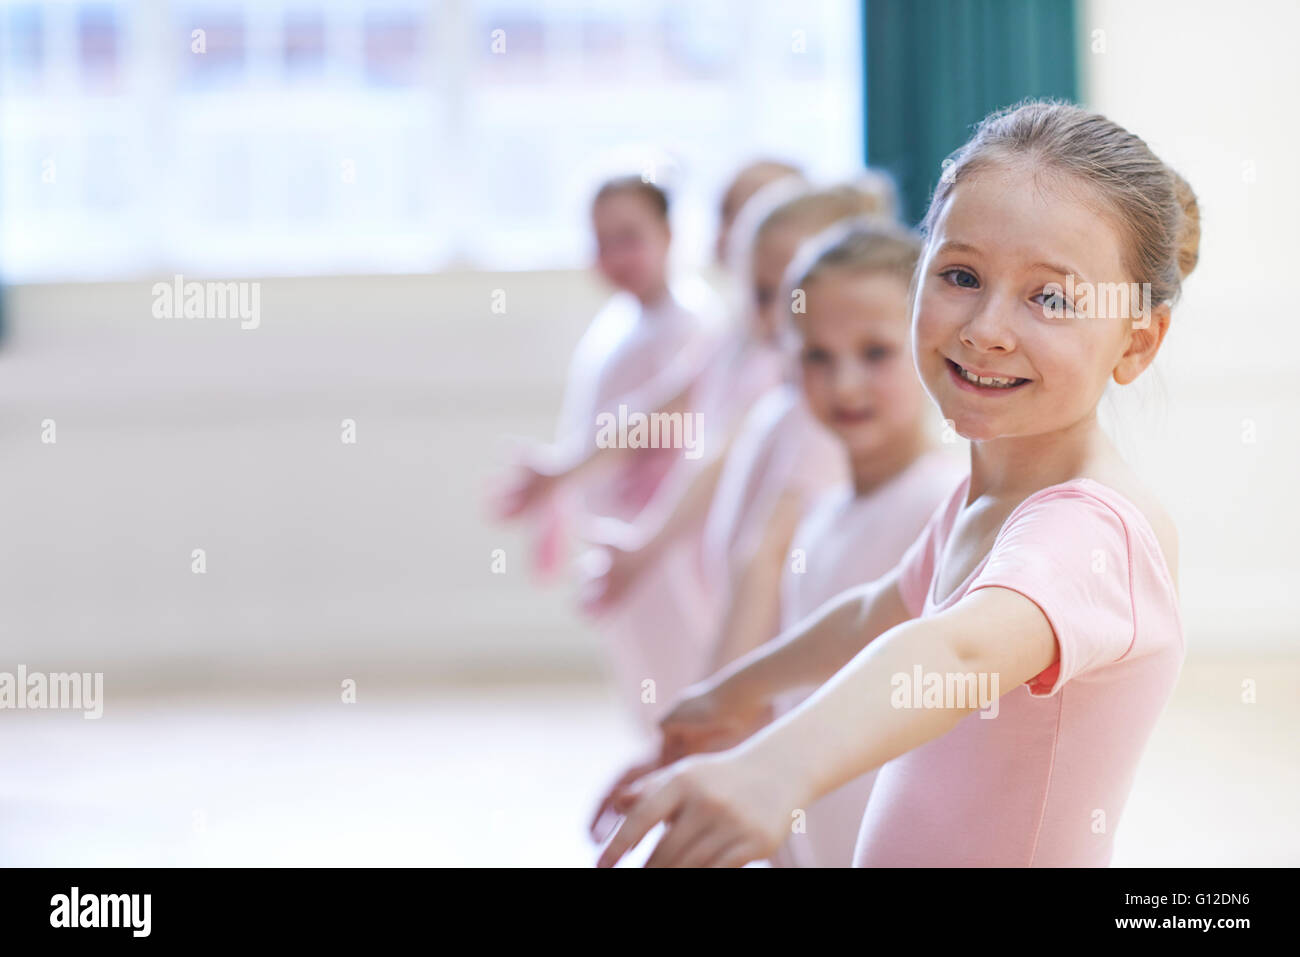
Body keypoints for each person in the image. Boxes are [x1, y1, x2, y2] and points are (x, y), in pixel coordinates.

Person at [597, 100, 1198, 868]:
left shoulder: (1089, 532)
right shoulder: (987, 499)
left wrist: (774, 767)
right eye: (960, 275)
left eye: (1049, 296)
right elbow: (877, 615)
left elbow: (957, 652)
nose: (985, 327)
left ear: (1136, 343)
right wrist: (733, 695)